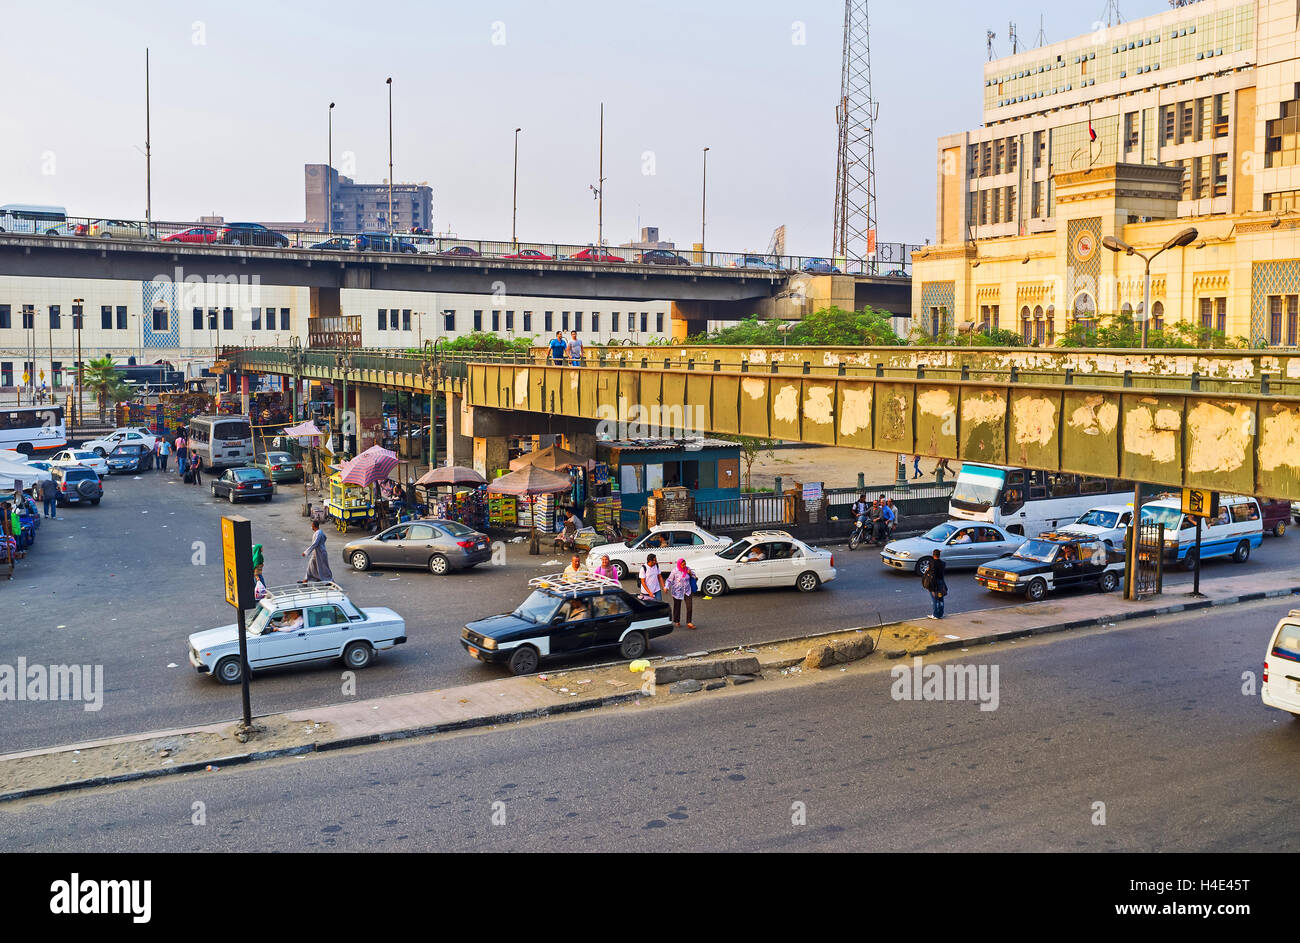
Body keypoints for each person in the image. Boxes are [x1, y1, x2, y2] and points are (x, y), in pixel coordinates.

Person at [665, 558, 697, 630]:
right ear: (679, 564)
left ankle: (689, 622)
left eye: (685, 564)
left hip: (687, 590)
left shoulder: (688, 569)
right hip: (677, 591)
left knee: (689, 607)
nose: (684, 566)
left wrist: (690, 573)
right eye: (683, 565)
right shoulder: (675, 571)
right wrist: (666, 587)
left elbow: (694, 576)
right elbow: (669, 580)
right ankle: (677, 620)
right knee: (677, 606)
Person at [923, 549, 948, 619]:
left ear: (933, 555)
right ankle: (941, 614)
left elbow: (932, 574)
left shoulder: (932, 563)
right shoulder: (943, 563)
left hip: (934, 584)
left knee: (935, 599)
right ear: (939, 555)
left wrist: (928, 571)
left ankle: (935, 615)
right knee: (940, 599)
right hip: (941, 583)